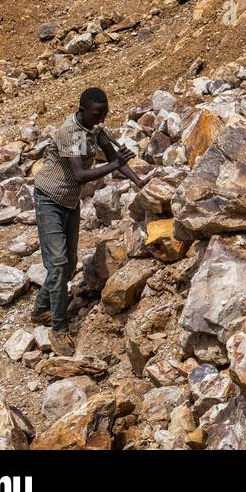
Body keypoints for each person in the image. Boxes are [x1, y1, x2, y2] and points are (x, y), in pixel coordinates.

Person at [29, 87, 145, 354]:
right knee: (58, 264)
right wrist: (116, 165)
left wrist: (139, 181)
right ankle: (59, 327)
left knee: (68, 265)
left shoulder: (93, 129)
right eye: (97, 114)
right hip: (49, 199)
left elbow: (115, 157)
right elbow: (81, 174)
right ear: (82, 109)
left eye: (104, 114)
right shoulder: (70, 133)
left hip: (69, 201)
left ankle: (40, 309)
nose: (102, 119)